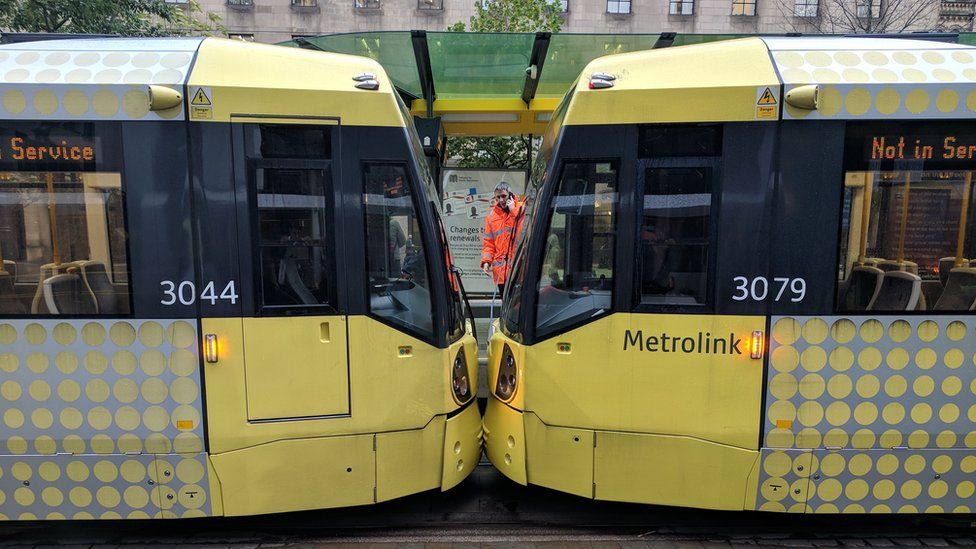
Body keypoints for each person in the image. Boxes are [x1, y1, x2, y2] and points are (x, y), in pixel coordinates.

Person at [481, 182, 523, 294]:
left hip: (518, 269)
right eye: (498, 197)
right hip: (501, 271)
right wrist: (486, 261)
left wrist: (513, 211)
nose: (501, 200)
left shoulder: (521, 209)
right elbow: (488, 243)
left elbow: (520, 231)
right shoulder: (492, 217)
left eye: (503, 196)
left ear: (510, 195)